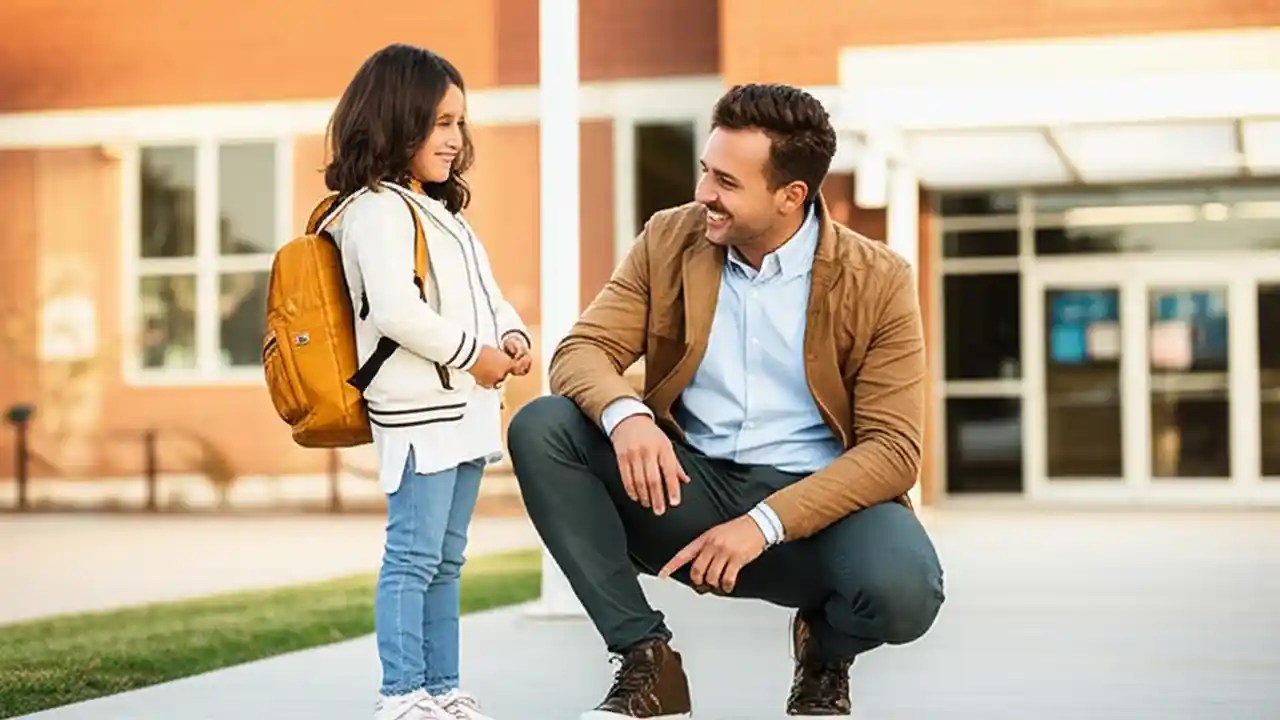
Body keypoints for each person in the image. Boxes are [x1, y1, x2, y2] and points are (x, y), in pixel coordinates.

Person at [507, 83, 945, 719]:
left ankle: (823, 650)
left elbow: (894, 452)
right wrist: (627, 416)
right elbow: (581, 351)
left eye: (727, 182)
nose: (704, 193)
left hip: (816, 515)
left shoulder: (878, 279)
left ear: (791, 196)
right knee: (544, 426)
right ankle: (645, 661)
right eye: (705, 171)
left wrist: (762, 524)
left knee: (907, 592)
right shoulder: (669, 238)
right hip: (688, 494)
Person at [324, 43, 532, 720]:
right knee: (413, 557)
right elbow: (394, 309)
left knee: (447, 559)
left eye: (459, 123)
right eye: (441, 122)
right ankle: (401, 693)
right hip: (418, 412)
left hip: (464, 409)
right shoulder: (374, 210)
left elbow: (485, 294)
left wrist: (512, 334)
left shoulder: (441, 211)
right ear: (397, 119)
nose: (455, 139)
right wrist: (475, 354)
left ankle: (443, 688)